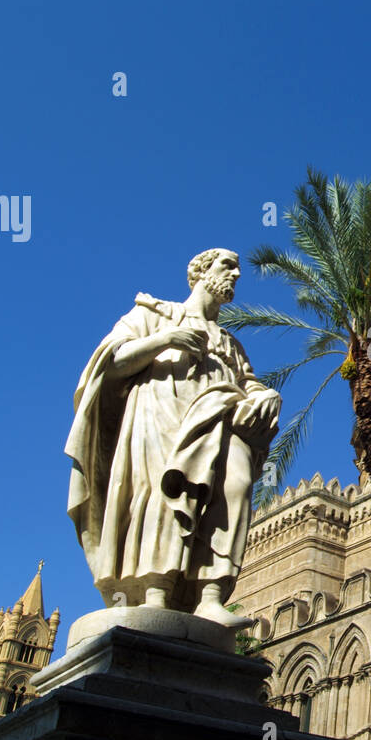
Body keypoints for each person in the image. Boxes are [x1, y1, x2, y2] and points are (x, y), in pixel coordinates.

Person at [65, 248, 280, 626]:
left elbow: (248, 383)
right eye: (227, 266)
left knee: (235, 486)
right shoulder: (152, 313)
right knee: (162, 496)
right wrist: (167, 339)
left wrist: (265, 395)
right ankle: (156, 591)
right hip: (159, 416)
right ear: (200, 272)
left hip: (218, 420)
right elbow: (110, 363)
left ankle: (211, 595)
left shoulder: (230, 342)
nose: (235, 275)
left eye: (237, 269)